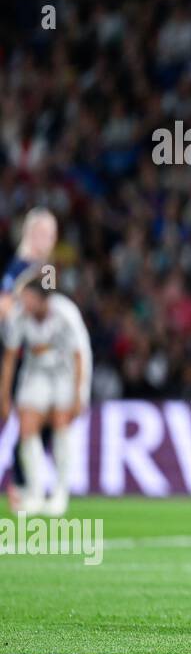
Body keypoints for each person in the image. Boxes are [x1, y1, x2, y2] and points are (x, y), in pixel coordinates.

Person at [0, 281, 91, 516]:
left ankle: (60, 493)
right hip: (36, 372)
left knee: (61, 425)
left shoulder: (65, 313)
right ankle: (35, 492)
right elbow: (10, 357)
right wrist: (4, 395)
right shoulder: (19, 317)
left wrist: (80, 393)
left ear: (43, 299)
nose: (25, 303)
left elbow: (80, 354)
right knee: (27, 428)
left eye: (30, 298)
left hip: (65, 372)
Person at [1, 208, 59, 512]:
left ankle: (24, 484)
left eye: (50, 234)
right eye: (41, 233)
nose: (46, 239)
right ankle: (21, 485)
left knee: (42, 422)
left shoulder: (46, 270)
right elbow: (4, 305)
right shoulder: (21, 269)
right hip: (20, 357)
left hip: (42, 360)